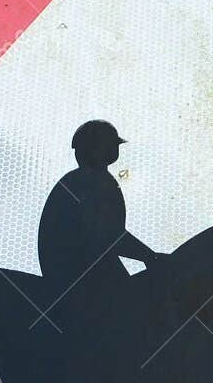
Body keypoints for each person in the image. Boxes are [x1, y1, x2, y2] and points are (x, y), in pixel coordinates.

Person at [37, 121, 160, 305]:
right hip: (80, 273)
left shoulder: (78, 179)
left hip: (73, 268)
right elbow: (109, 235)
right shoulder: (93, 181)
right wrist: (150, 257)